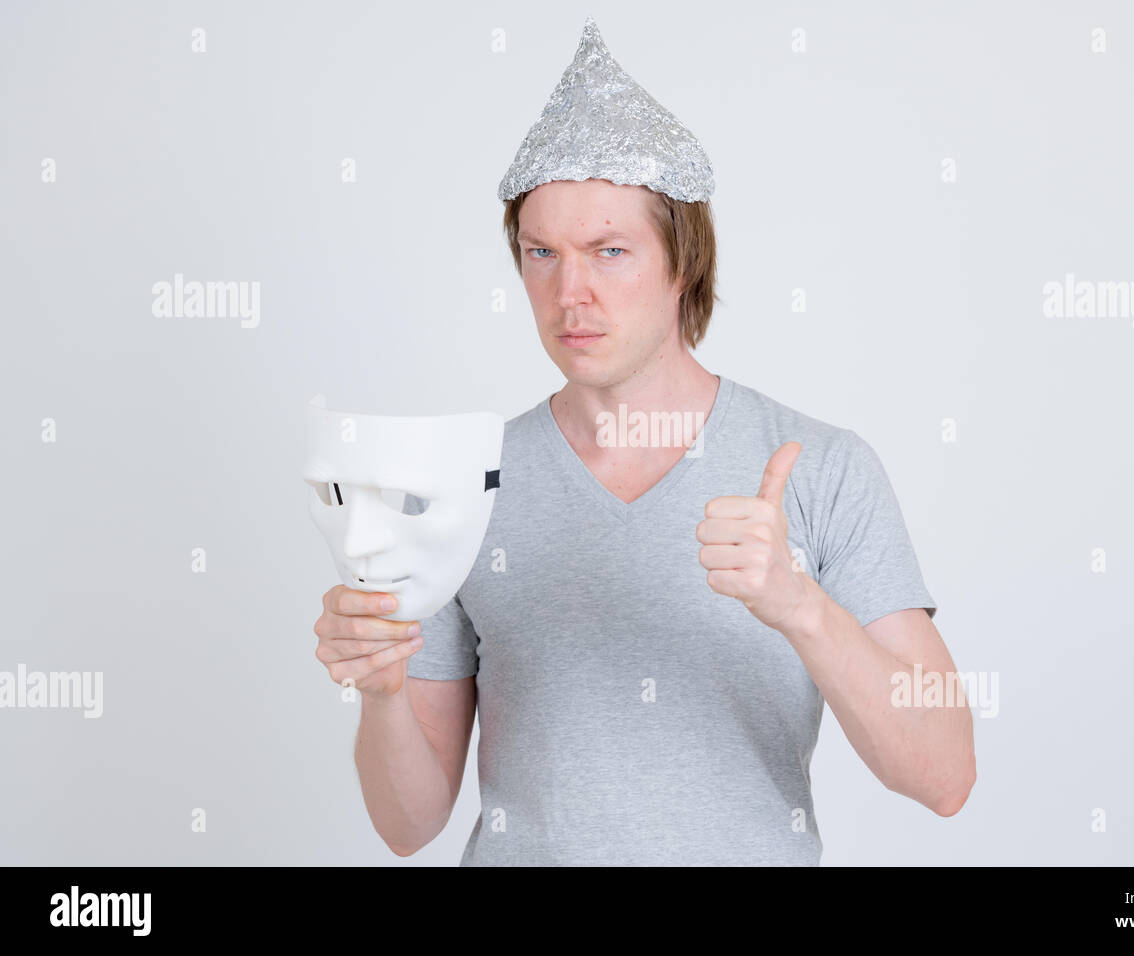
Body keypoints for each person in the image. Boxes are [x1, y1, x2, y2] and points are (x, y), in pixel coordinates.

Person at [312, 18, 974, 865]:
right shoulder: (465, 483)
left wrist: (800, 605)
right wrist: (382, 693)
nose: (569, 292)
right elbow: (409, 826)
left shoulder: (822, 469)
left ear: (684, 265)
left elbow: (946, 775)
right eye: (541, 252)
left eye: (610, 250)